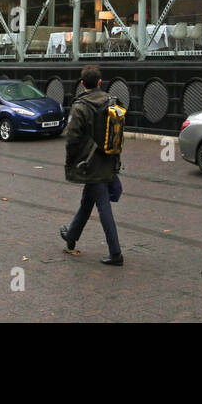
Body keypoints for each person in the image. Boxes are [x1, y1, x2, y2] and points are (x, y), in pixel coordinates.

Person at [59, 64, 123, 266]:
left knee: (103, 208)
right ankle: (71, 236)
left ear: (82, 83)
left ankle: (116, 254)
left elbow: (72, 139)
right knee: (87, 202)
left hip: (90, 164)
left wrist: (71, 163)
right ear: (99, 83)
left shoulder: (80, 106)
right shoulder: (112, 102)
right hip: (109, 161)